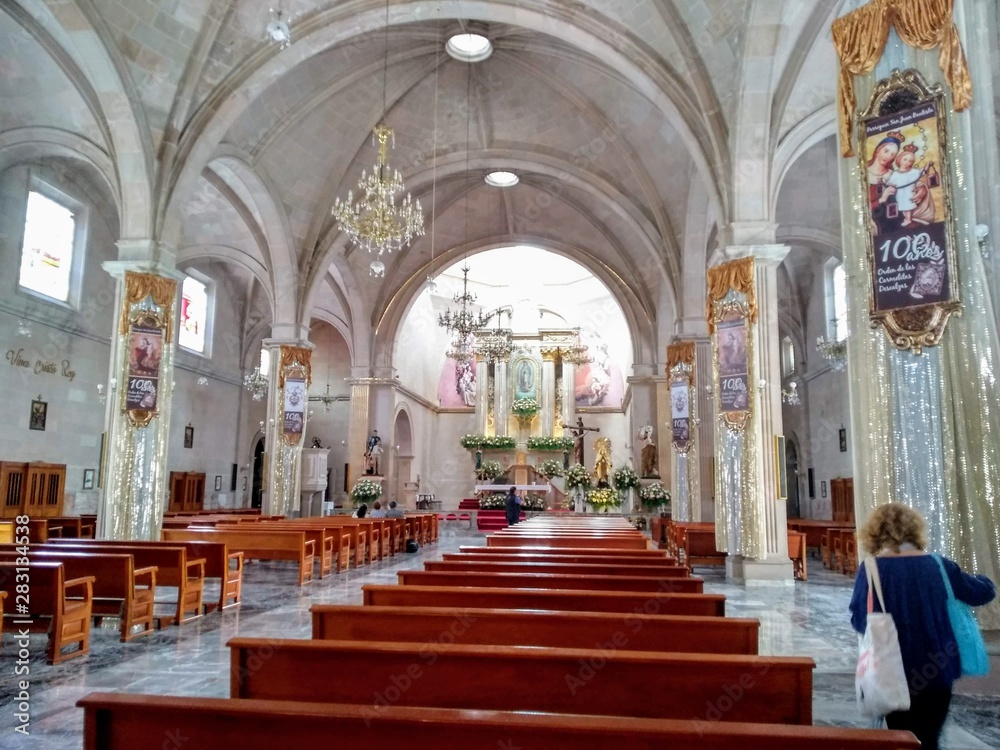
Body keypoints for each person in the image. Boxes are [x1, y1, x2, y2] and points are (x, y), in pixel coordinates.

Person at [849, 503, 995, 750]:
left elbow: (859, 619)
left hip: (892, 670)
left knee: (902, 738)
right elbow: (982, 592)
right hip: (938, 667)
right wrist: (984, 578)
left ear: (875, 533)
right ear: (915, 530)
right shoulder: (939, 565)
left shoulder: (871, 569)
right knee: (929, 738)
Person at [867, 131, 904, 235]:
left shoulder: (893, 175)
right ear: (878, 150)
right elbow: (862, 208)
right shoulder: (864, 175)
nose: (888, 156)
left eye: (893, 154)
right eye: (886, 151)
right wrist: (883, 198)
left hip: (895, 221)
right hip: (877, 222)